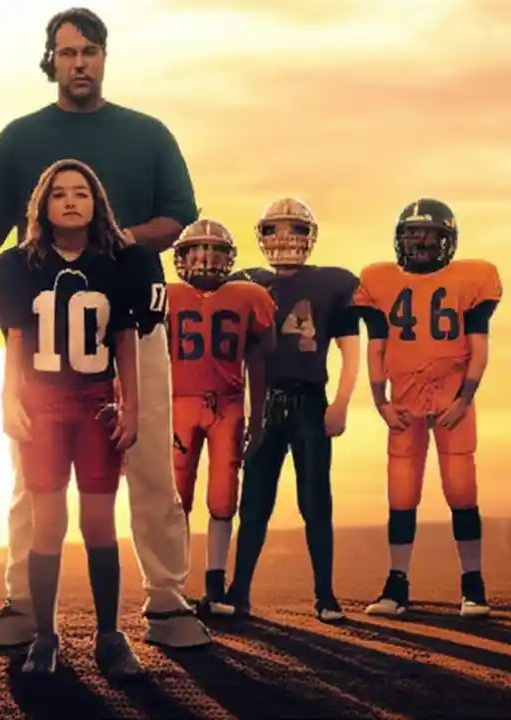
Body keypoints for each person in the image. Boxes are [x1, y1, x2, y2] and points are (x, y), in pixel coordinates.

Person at [0, 6, 208, 649]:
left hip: (132, 318)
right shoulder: (21, 138)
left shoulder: (147, 132)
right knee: (32, 471)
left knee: (151, 459)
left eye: (91, 51)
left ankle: (166, 600)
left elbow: (178, 217)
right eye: (69, 52)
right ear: (51, 59)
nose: (80, 63)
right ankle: (24, 605)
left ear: (105, 57)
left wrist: (114, 240)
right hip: (42, 333)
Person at [0, 158, 146, 679]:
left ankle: (109, 635)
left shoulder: (120, 262)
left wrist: (133, 404)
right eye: (59, 194)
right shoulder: (21, 266)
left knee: (99, 521)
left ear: (97, 201)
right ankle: (45, 635)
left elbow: (124, 338)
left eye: (80, 192)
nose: (70, 201)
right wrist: (9, 398)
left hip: (98, 398)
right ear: (42, 206)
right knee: (48, 523)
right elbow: (15, 339)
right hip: (44, 401)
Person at [353, 199, 500, 618]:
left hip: (452, 396)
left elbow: (479, 348)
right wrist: (379, 402)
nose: (419, 241)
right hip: (402, 400)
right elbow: (376, 347)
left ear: (447, 240)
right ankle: (396, 584)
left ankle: (473, 585)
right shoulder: (378, 280)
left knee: (460, 489)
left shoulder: (471, 279)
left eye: (429, 234)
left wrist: (464, 398)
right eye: (412, 233)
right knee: (401, 493)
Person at [226, 198, 359, 623]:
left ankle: (325, 595)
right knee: (254, 502)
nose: (284, 238)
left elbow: (348, 349)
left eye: (295, 229)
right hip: (264, 403)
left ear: (310, 235)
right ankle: (238, 591)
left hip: (308, 401)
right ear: (261, 234)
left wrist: (341, 402)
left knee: (316, 501)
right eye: (275, 229)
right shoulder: (246, 283)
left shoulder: (331, 284)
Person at [164, 219, 275, 613]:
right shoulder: (166, 296)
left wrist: (257, 416)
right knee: (177, 497)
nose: (206, 259)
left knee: (224, 496)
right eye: (197, 250)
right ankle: (170, 585)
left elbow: (259, 362)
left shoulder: (249, 296)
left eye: (214, 251)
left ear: (229, 258)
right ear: (182, 257)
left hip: (228, 402)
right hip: (178, 402)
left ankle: (215, 584)